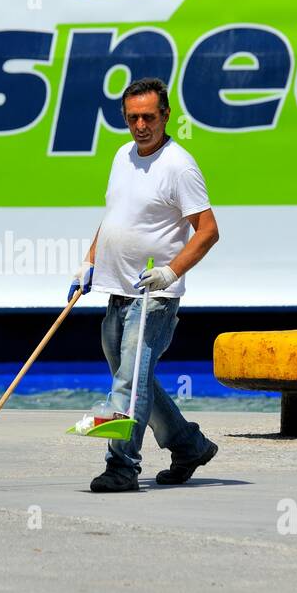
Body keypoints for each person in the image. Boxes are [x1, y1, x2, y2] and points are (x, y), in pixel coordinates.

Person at [68, 77, 220, 493]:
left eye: (149, 117)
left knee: (129, 382)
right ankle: (189, 445)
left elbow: (207, 231)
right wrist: (89, 263)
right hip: (116, 289)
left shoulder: (179, 166)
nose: (140, 125)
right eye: (133, 117)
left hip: (153, 297)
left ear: (166, 115)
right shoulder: (122, 156)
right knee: (134, 377)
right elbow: (114, 217)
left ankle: (122, 466)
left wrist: (171, 272)